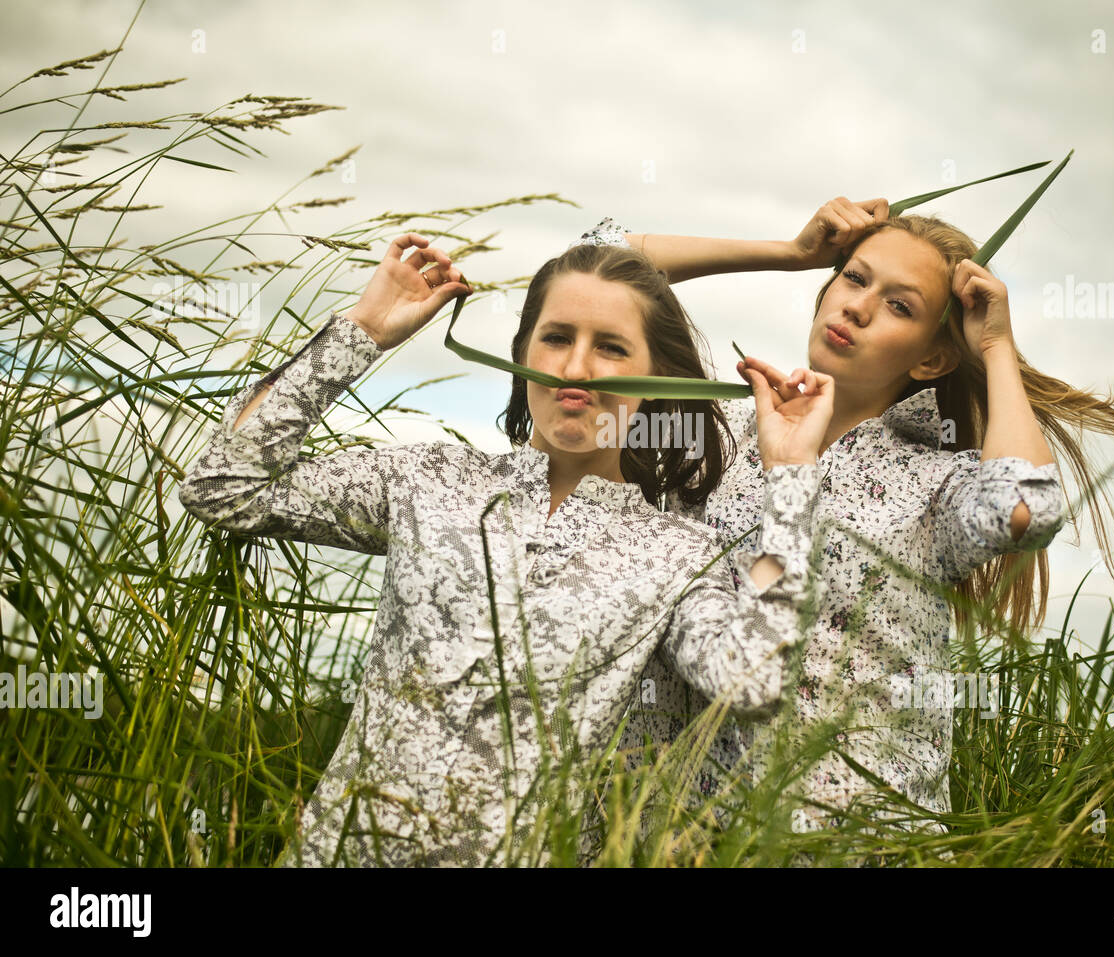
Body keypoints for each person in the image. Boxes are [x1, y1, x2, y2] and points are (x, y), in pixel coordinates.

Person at [178, 234, 833, 865]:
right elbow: (222, 485)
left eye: (609, 346)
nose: (575, 368)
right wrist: (364, 330)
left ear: (657, 376)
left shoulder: (680, 559)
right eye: (555, 338)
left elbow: (755, 681)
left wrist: (792, 477)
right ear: (522, 352)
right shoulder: (429, 480)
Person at [581, 201, 1114, 839]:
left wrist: (996, 345)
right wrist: (790, 253)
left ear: (931, 360)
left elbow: (1027, 506)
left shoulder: (932, 483)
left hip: (861, 838)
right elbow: (598, 262)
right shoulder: (723, 439)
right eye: (853, 278)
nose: (858, 306)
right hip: (698, 836)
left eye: (900, 305)